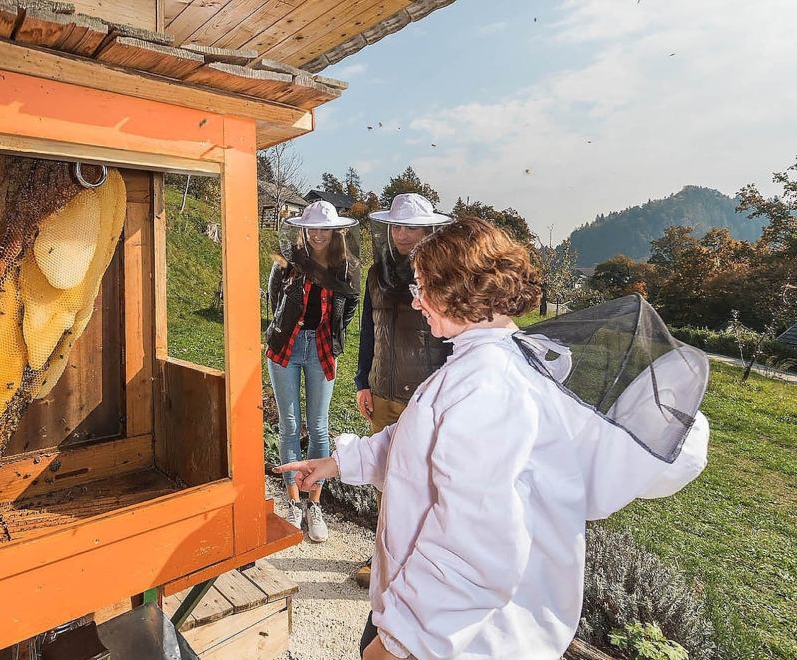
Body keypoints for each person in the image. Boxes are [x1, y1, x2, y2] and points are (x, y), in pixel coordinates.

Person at [275, 217, 710, 659]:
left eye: (422, 286)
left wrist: (401, 643)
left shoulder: (488, 387)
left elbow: (475, 545)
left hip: (457, 635)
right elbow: (419, 441)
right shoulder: (488, 361)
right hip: (428, 610)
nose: (416, 300)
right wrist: (340, 463)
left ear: (458, 288)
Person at [353, 192, 453, 587]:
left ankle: (421, 565)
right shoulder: (377, 273)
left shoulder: (442, 275)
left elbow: (451, 337)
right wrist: (363, 380)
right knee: (385, 479)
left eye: (411, 226)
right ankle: (382, 557)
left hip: (424, 397)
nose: (402, 234)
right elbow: (368, 330)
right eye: (396, 225)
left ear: (428, 230)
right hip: (382, 391)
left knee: (425, 483)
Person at [266, 200, 361, 542]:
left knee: (319, 428)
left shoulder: (347, 267)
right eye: (312, 228)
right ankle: (293, 501)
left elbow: (349, 305)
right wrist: (281, 329)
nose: (318, 235)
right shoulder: (289, 261)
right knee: (290, 425)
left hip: (321, 349)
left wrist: (332, 336)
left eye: (325, 228)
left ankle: (314, 504)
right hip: (286, 348)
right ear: (303, 229)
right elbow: (273, 299)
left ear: (335, 232)